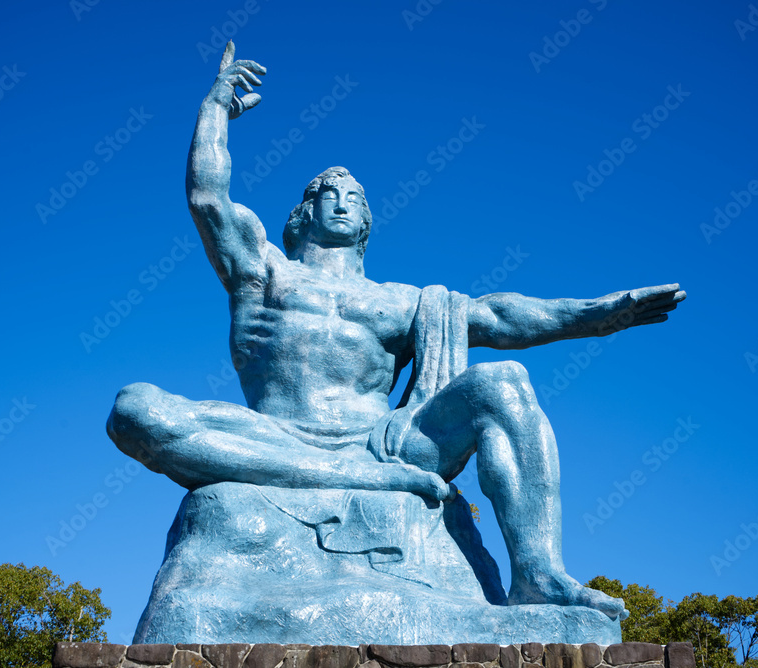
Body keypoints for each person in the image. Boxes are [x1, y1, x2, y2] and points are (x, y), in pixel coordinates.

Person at [107, 43, 685, 618]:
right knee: (134, 408)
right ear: (301, 214)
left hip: (383, 444)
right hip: (276, 436)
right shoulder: (263, 270)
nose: (340, 202)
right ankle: (343, 477)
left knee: (503, 381)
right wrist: (213, 110)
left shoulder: (401, 302)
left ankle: (539, 575)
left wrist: (600, 313)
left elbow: (501, 317)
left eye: (353, 198)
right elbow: (208, 197)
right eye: (325, 195)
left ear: (365, 223)